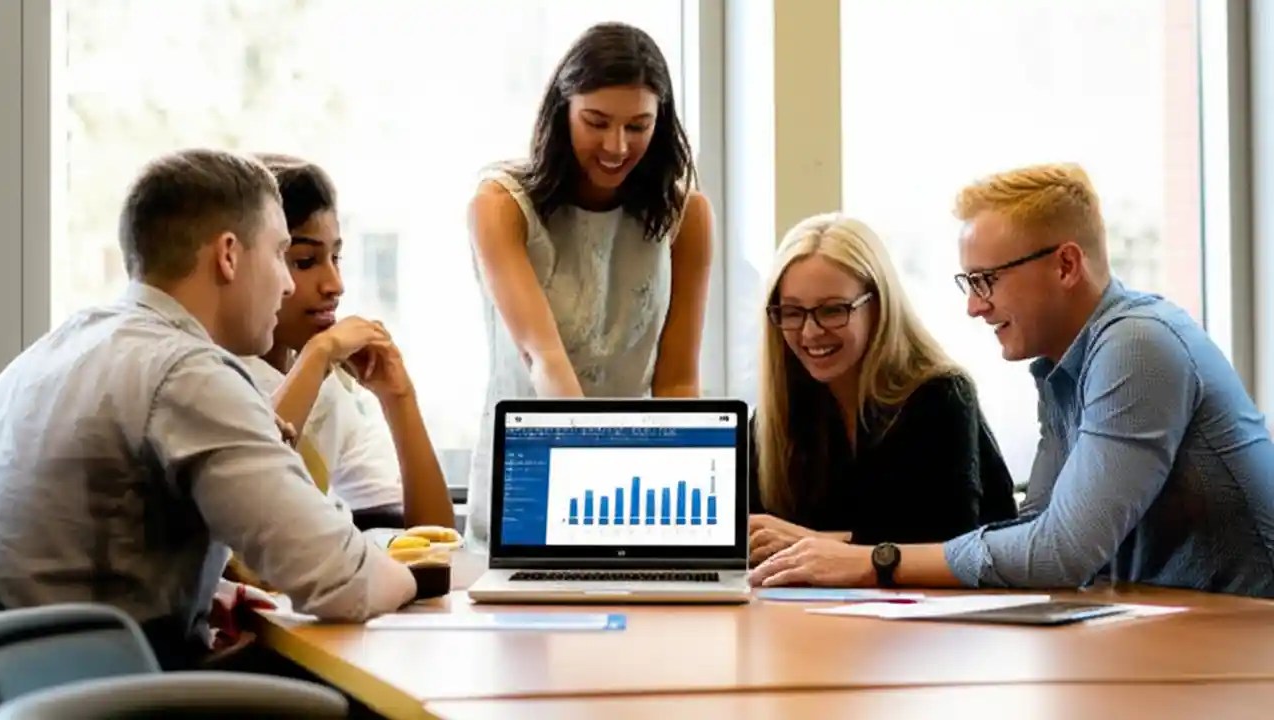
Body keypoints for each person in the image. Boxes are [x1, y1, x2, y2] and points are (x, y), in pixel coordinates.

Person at [750, 162, 1274, 598]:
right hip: (1180, 625)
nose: (975, 306)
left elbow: (1058, 554)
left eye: (987, 281)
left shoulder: (1138, 345)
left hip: (1245, 633)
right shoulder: (1060, 367)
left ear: (1066, 265)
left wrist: (872, 560)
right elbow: (1034, 530)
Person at [0, 149, 426, 668]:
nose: (289, 283)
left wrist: (207, 590)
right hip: (124, 697)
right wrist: (418, 577)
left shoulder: (58, 347)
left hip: (41, 686)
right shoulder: (187, 372)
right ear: (228, 255)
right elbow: (342, 581)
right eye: (282, 254)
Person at [465, 22, 714, 545]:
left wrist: (686, 511)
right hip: (529, 484)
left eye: (639, 126)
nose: (617, 146)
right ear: (562, 112)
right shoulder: (501, 206)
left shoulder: (685, 214)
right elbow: (543, 357)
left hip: (633, 494)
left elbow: (676, 385)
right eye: (596, 122)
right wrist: (595, 471)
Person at [748, 213, 1017, 564]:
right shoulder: (781, 412)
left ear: (879, 306)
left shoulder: (941, 397)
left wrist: (809, 542)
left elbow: (946, 544)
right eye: (792, 312)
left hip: (939, 613)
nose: (810, 333)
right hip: (813, 611)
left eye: (832, 310)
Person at [241, 153, 454, 532]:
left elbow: (434, 540)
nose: (335, 285)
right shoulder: (210, 376)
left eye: (335, 257)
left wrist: (399, 398)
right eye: (305, 261)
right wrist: (318, 357)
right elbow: (247, 500)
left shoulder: (329, 390)